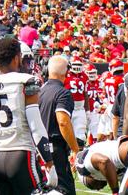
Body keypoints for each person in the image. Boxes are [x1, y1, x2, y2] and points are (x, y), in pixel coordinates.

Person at [0, 37, 57, 195]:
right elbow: (36, 128)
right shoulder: (25, 81)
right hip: (21, 156)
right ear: (17, 58)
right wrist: (49, 163)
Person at [39, 55, 80, 195]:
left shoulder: (39, 91)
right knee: (63, 189)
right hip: (55, 149)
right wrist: (75, 149)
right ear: (66, 72)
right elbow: (63, 122)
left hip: (38, 148)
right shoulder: (63, 93)